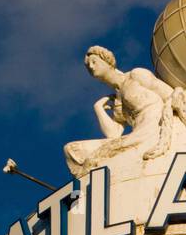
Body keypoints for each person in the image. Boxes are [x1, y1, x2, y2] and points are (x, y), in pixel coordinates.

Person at [64, 46, 173, 176]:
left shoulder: (136, 75)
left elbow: (170, 95)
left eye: (94, 62)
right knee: (72, 150)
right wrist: (98, 108)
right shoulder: (117, 100)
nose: (91, 67)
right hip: (137, 134)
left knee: (98, 157)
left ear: (108, 61)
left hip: (154, 129)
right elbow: (114, 134)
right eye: (88, 66)